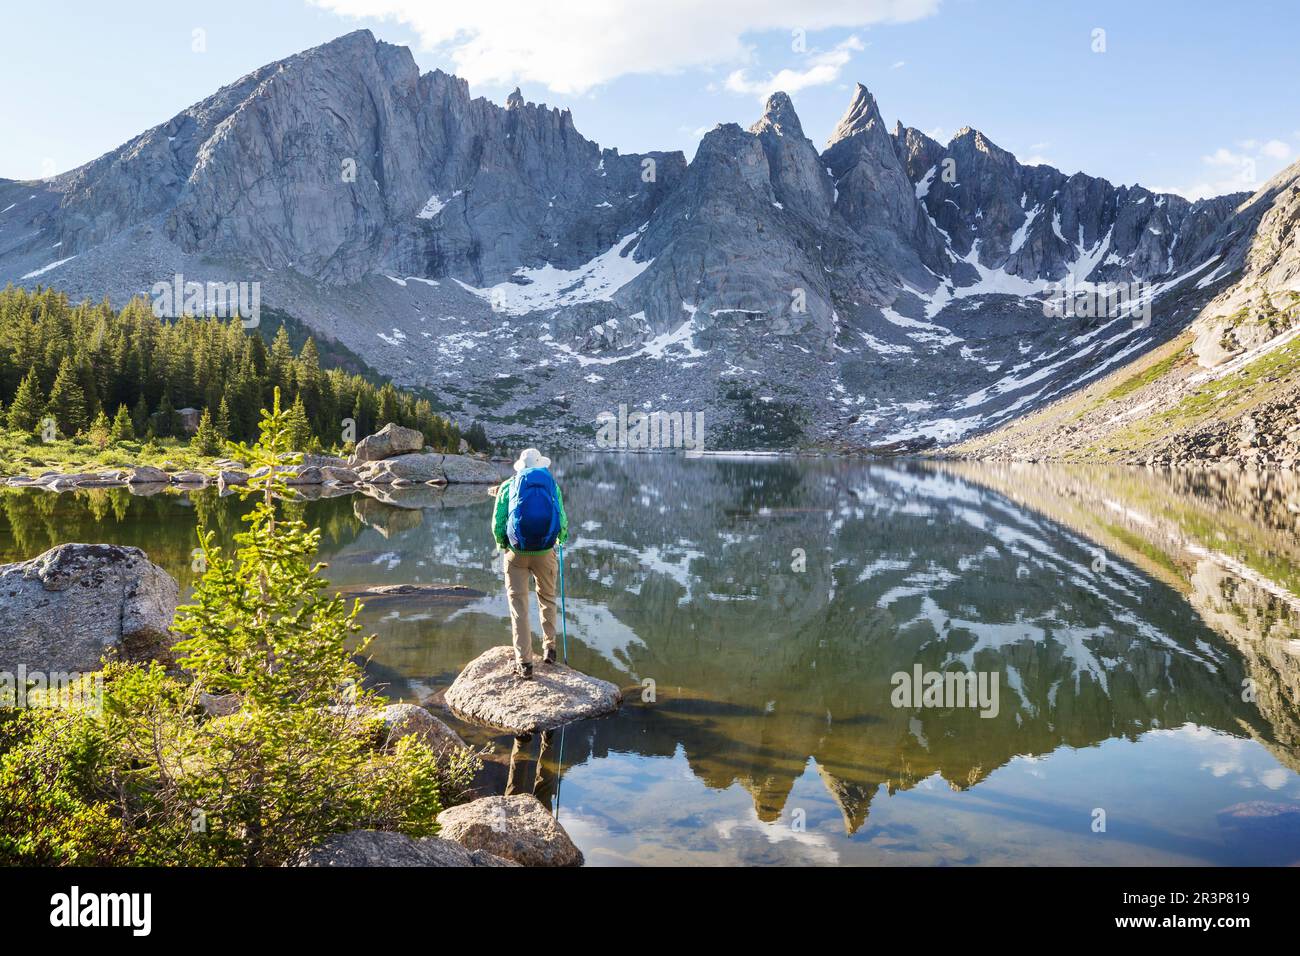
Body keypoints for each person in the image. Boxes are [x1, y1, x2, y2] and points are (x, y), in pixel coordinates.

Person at [492, 448, 569, 679]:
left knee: (519, 608)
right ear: (540, 465)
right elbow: (561, 518)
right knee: (547, 598)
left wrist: (503, 545)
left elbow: (498, 521)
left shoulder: (508, 485)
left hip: (516, 553)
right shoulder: (551, 485)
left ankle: (524, 663)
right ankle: (550, 648)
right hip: (545, 551)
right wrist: (560, 539)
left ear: (521, 467)